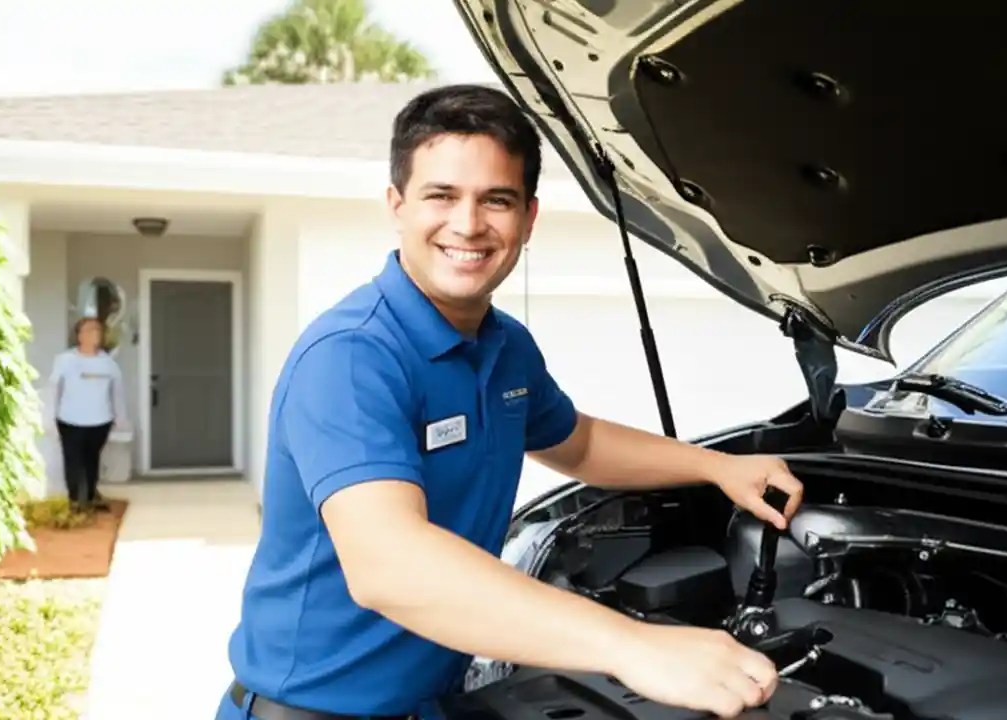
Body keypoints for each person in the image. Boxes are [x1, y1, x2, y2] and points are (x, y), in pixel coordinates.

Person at [218, 84, 804, 720]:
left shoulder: (504, 345)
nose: (468, 224)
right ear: (397, 206)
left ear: (528, 218)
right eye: (442, 196)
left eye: (495, 200)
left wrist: (718, 467)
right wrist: (631, 646)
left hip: (434, 701)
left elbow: (578, 442)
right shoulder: (352, 357)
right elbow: (388, 565)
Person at [47, 316, 129, 510]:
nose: (96, 333)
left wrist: (121, 418)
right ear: (80, 336)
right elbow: (54, 390)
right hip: (70, 420)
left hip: (101, 421)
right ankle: (75, 500)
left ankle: (91, 496)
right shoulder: (65, 360)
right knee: (73, 460)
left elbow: (117, 393)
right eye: (91, 330)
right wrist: (49, 417)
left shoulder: (108, 363)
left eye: (98, 330)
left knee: (92, 460)